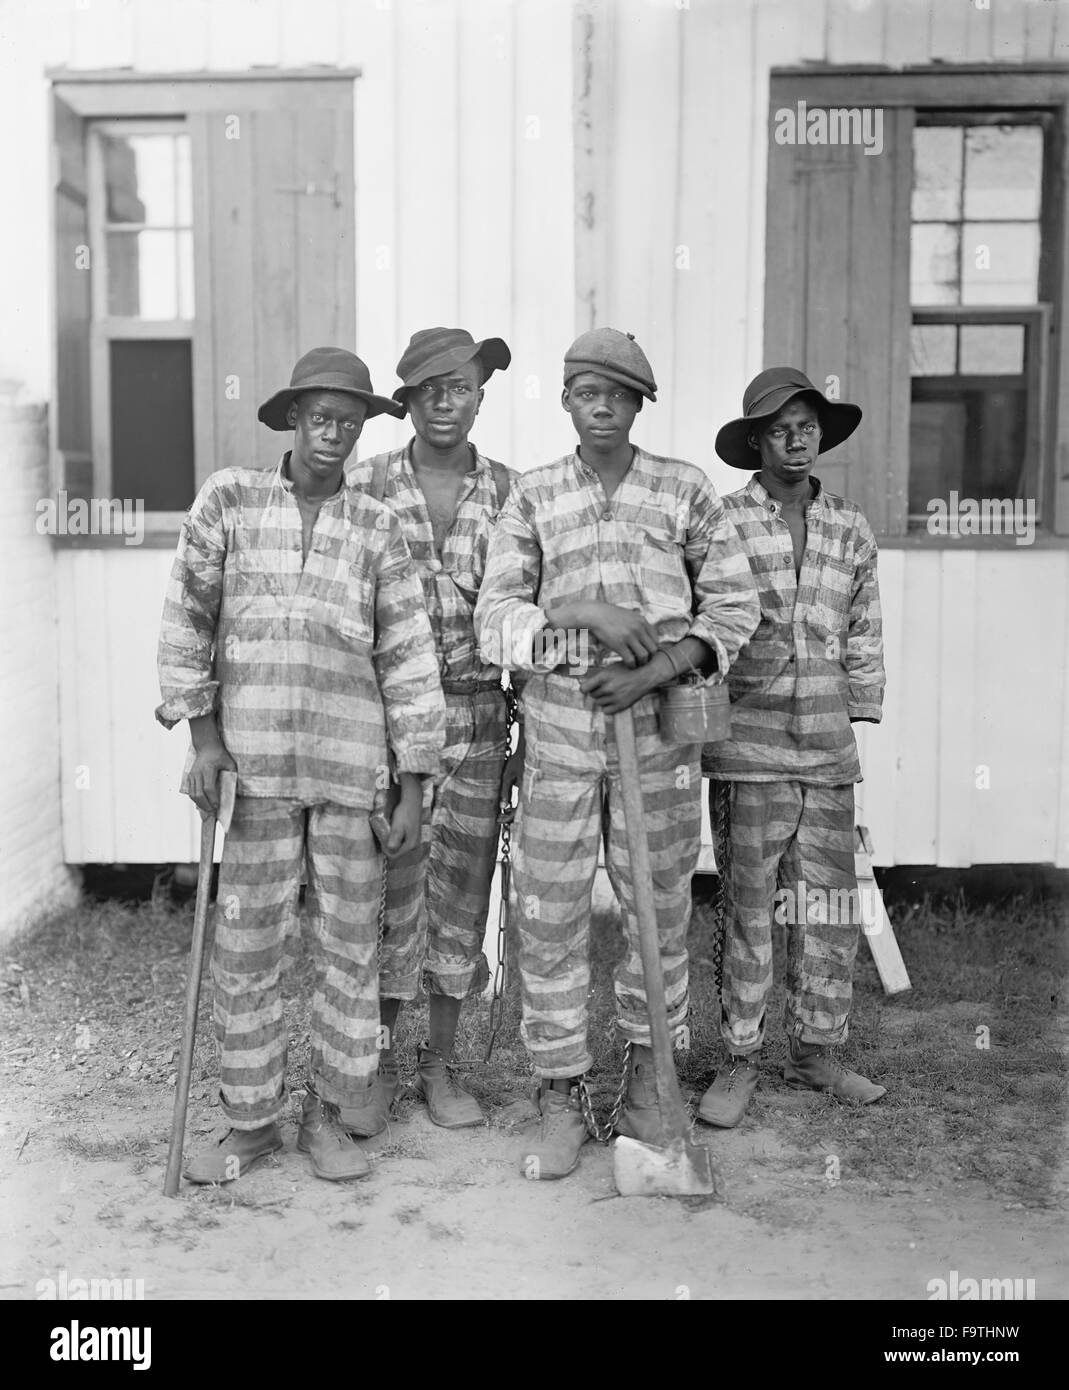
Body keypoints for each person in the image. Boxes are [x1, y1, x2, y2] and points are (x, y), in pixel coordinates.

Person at [474, 328, 760, 1179]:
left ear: (639, 405)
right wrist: (584, 618)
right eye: (586, 392)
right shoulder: (532, 496)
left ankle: (648, 1084)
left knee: (656, 912)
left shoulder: (684, 490)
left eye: (619, 394)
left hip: (659, 741)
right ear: (564, 401)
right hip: (561, 742)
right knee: (549, 919)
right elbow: (495, 617)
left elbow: (734, 606)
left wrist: (661, 669)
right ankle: (560, 1094)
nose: (602, 406)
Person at [156, 347, 445, 1184]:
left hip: (353, 773)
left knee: (350, 944)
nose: (334, 435)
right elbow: (186, 620)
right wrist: (205, 741)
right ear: (291, 419)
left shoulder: (378, 528)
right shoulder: (231, 501)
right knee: (248, 946)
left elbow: (409, 659)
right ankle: (251, 1124)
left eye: (350, 424)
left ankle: (327, 1114)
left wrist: (413, 784)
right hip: (251, 768)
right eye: (321, 418)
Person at [698, 366, 887, 1130]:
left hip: (825, 748)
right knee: (748, 907)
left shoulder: (849, 526)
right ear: (756, 442)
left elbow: (863, 625)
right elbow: (704, 623)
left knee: (827, 905)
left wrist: (859, 705)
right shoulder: (724, 523)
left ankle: (817, 1050)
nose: (796, 438)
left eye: (806, 425)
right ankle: (739, 1058)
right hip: (747, 745)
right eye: (779, 428)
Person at [348, 327, 520, 1129]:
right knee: (391, 891)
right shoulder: (368, 486)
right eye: (428, 390)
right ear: (406, 402)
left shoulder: (516, 493)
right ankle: (374, 1065)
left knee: (461, 894)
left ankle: (441, 1069)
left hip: (482, 712)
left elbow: (529, 614)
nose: (445, 403)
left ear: (481, 393)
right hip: (391, 721)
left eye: (460, 387)